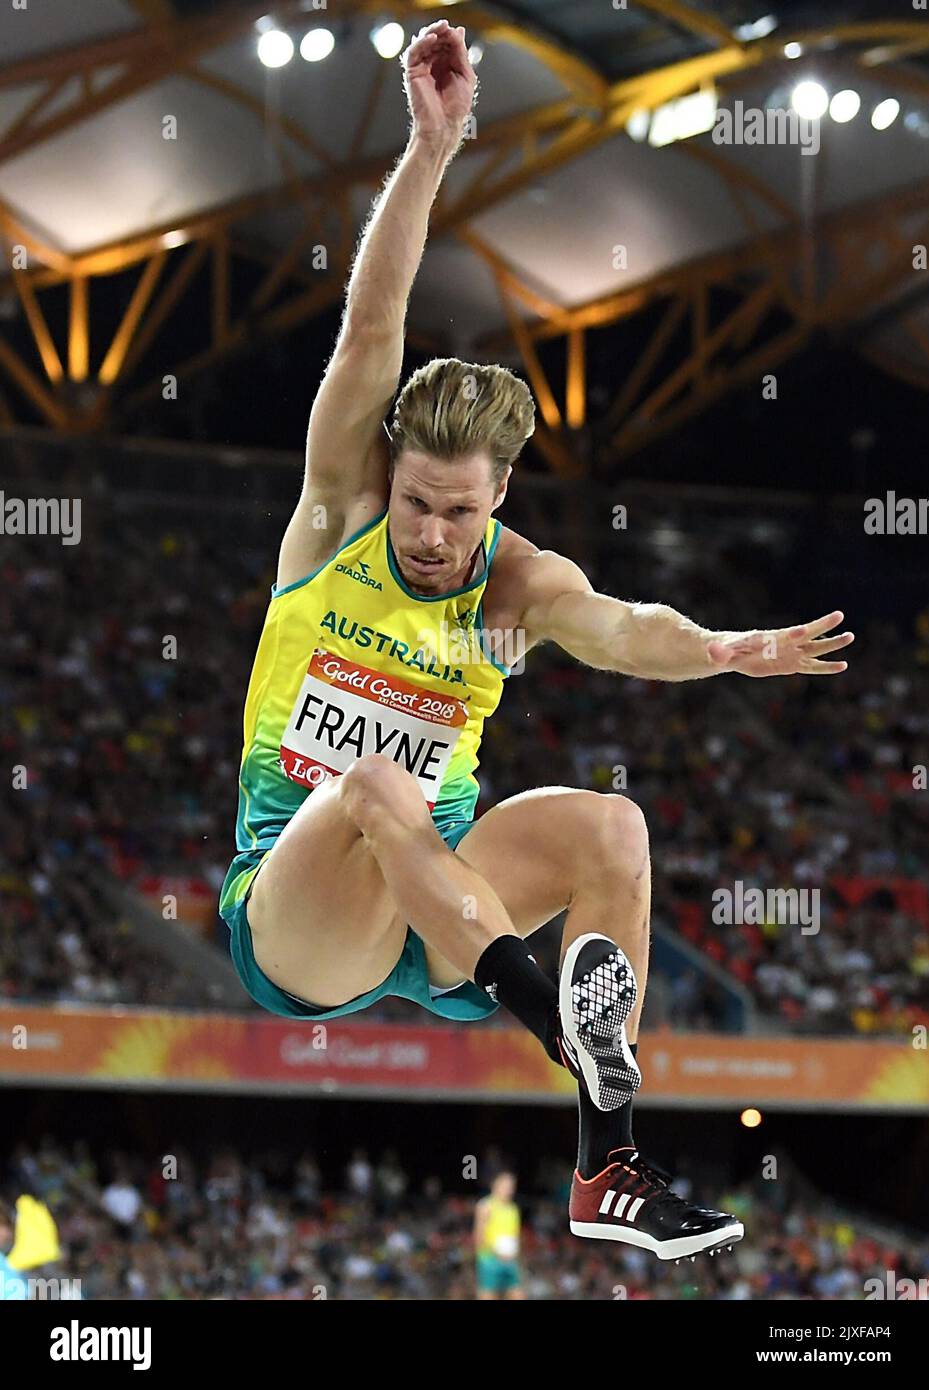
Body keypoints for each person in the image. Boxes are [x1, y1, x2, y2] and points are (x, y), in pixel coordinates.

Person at [218, 19, 853, 1260]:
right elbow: (370, 326)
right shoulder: (335, 516)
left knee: (612, 825)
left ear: (499, 493)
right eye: (417, 501)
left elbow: (620, 630)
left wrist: (717, 649)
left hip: (449, 899)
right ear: (385, 475)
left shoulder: (515, 577)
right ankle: (552, 1020)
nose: (437, 531)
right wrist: (431, 146)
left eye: (461, 509)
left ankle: (606, 1163)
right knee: (376, 781)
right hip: (304, 918)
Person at [475, 1172, 524, 1300]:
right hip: (489, 1259)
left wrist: (514, 1253)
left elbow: (516, 1236)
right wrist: (496, 1252)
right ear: (495, 1185)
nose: (509, 1190)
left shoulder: (513, 1209)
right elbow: (479, 1235)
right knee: (488, 1295)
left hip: (509, 1259)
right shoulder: (486, 1206)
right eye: (505, 1186)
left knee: (517, 1294)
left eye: (511, 1186)